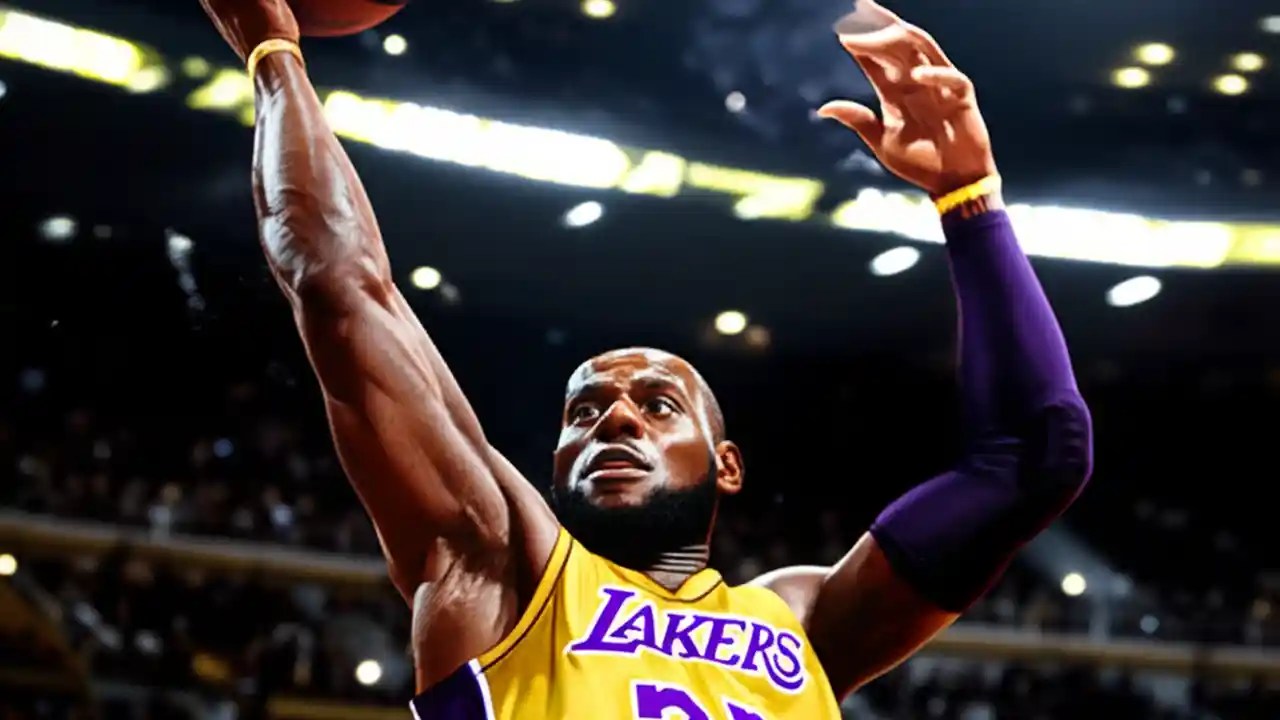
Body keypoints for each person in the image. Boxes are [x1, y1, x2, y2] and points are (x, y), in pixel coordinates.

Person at [197, 0, 1093, 716]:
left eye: (659, 404)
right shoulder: (503, 564)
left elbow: (1034, 455)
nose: (615, 417)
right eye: (583, 413)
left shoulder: (807, 622)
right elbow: (341, 290)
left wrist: (970, 197)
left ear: (728, 466)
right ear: (553, 466)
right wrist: (274, 54)